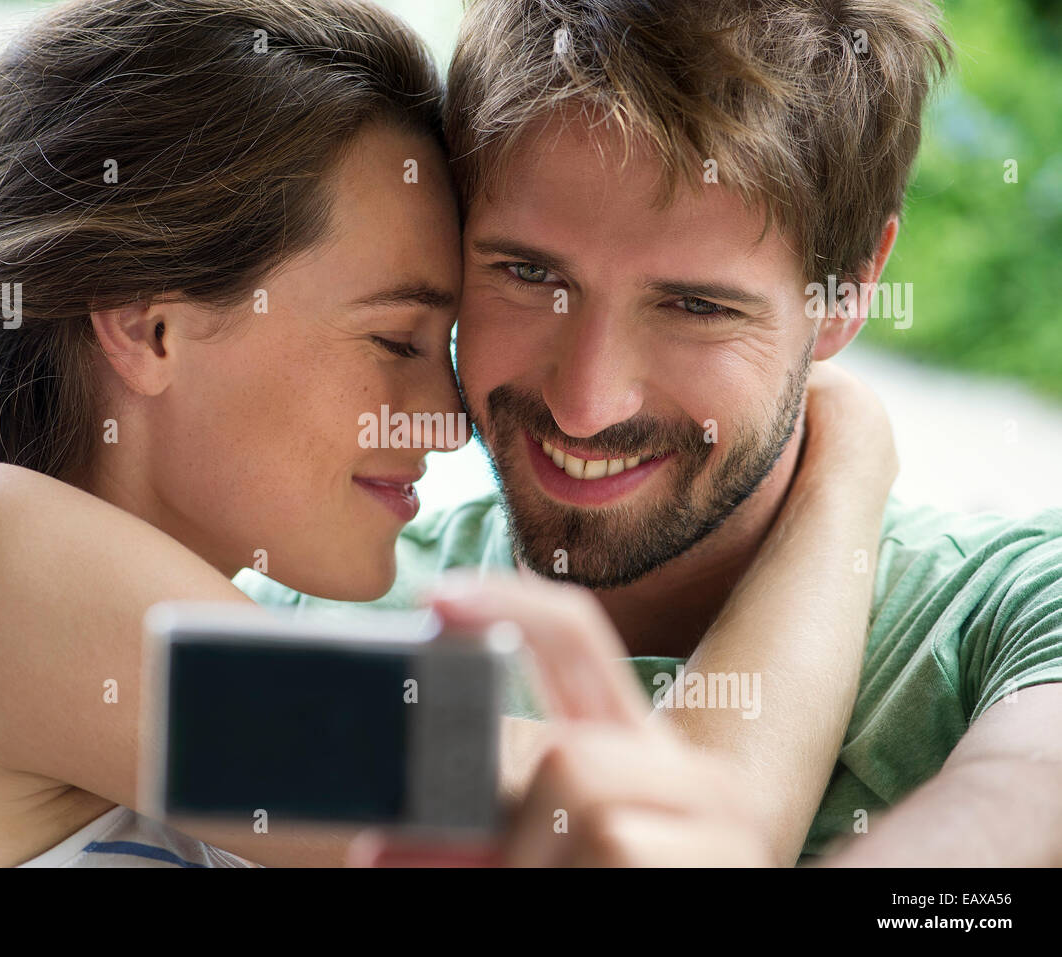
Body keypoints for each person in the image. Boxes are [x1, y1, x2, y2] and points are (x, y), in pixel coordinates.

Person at [0, 0, 893, 868]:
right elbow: (671, 833)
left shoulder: (124, 638)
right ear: (150, 325)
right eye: (397, 340)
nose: (450, 418)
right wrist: (847, 457)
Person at [251, 0, 1062, 867]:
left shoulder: (1010, 610)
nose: (585, 405)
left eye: (696, 307)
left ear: (853, 291)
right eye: (528, 273)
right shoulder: (319, 606)